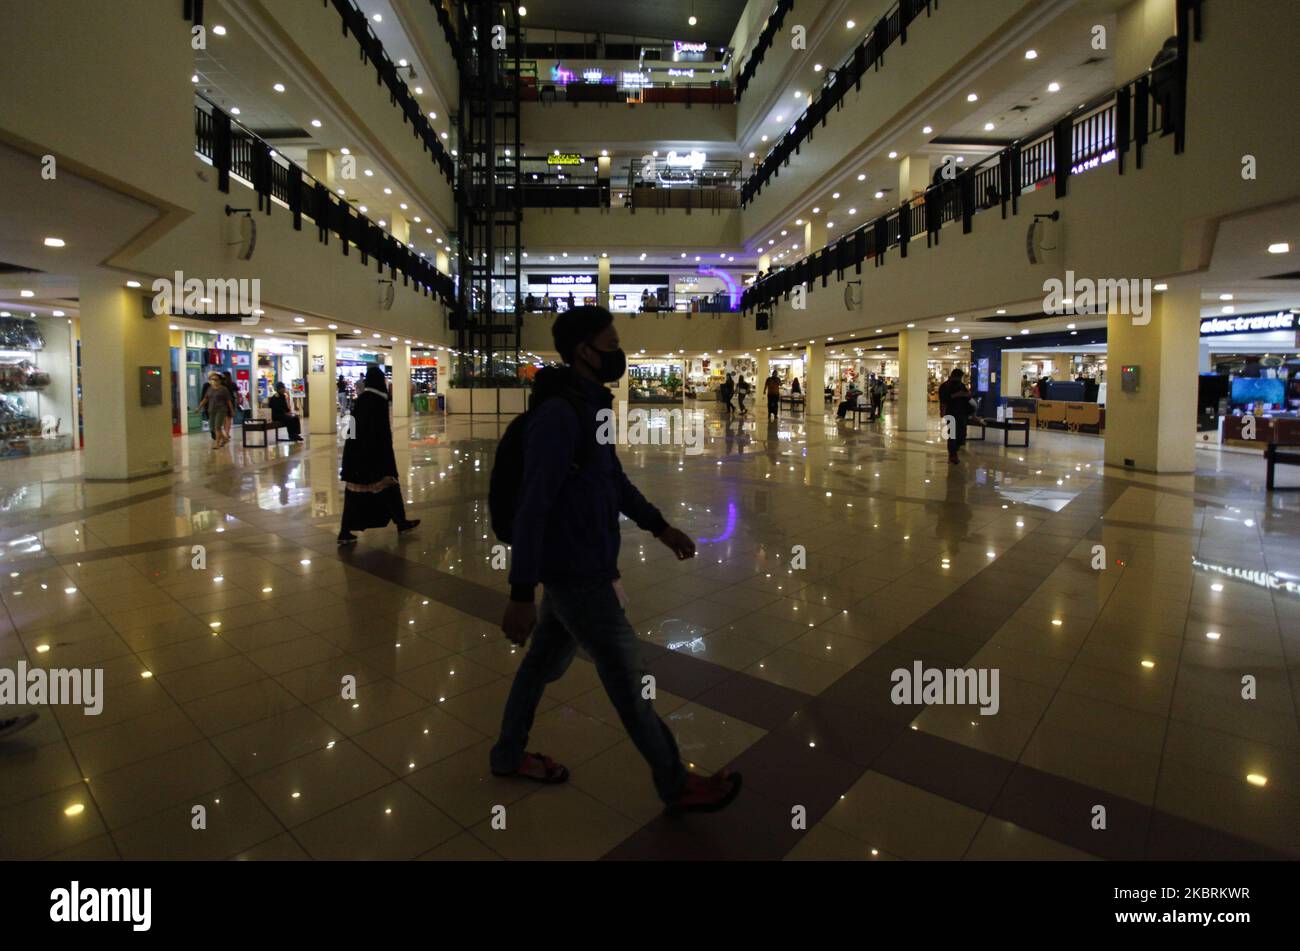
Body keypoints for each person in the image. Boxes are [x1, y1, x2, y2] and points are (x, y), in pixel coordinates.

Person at [495, 306, 742, 814]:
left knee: (540, 665)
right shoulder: (560, 416)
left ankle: (507, 754)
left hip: (583, 565)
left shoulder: (592, 408)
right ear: (584, 351)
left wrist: (659, 525)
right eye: (610, 343)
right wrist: (520, 592)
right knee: (629, 682)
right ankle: (675, 783)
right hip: (577, 573)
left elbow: (612, 481)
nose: (617, 352)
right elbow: (533, 506)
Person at [337, 364, 420, 545]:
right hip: (371, 457)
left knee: (357, 495)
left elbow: (350, 430)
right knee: (389, 487)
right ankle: (400, 522)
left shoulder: (362, 400)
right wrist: (384, 459)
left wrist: (350, 453)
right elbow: (380, 435)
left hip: (356, 456)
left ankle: (399, 522)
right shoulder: (377, 402)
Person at [938, 368, 973, 465]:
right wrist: (942, 412)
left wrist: (967, 395)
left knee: (961, 434)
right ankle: (952, 455)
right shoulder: (945, 386)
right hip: (951, 413)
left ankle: (954, 452)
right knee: (952, 434)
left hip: (962, 413)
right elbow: (944, 400)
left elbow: (967, 397)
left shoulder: (961, 385)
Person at [197, 372, 234, 448]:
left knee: (217, 427)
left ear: (220, 380)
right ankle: (225, 439)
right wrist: (199, 408)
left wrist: (232, 410)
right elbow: (205, 399)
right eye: (212, 379)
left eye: (216, 379)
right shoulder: (209, 389)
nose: (214, 381)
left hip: (221, 410)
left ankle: (217, 444)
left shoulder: (224, 389)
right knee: (212, 428)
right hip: (211, 410)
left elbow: (228, 401)